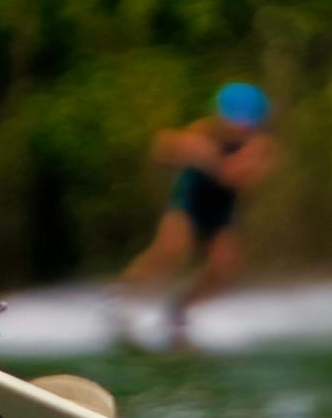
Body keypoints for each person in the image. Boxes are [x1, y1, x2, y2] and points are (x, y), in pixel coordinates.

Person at [114, 84, 279, 347]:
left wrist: (206, 156)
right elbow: (163, 148)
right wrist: (180, 148)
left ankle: (179, 311)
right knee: (170, 248)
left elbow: (234, 177)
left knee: (225, 266)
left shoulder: (259, 146)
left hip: (222, 209)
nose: (240, 129)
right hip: (190, 200)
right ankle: (122, 299)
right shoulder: (204, 130)